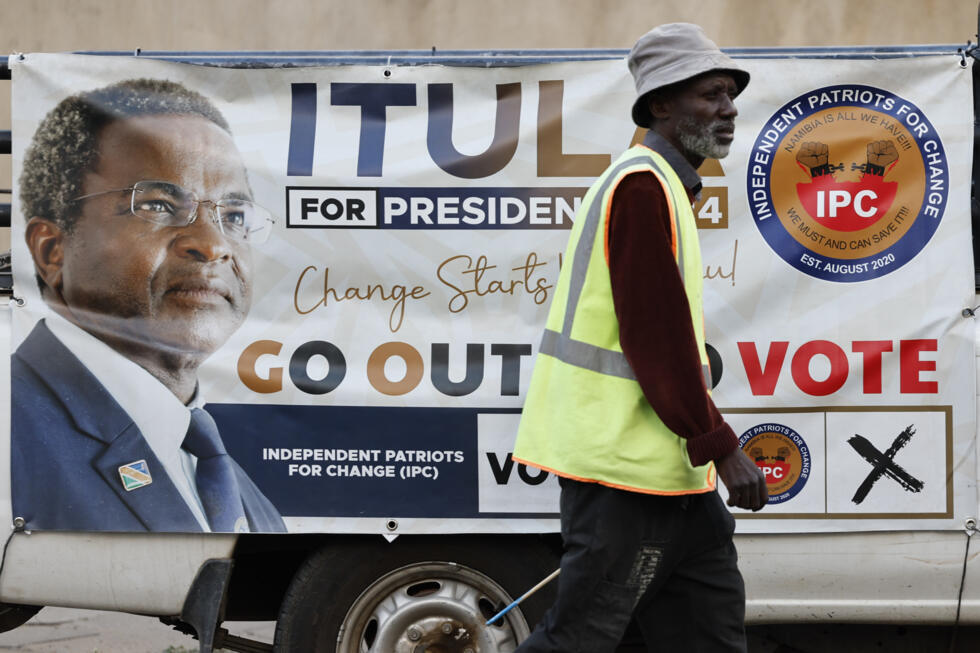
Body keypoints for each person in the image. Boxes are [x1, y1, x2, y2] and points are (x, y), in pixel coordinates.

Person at [512, 23, 768, 651]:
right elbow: (654, 338)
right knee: (580, 639)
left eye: (730, 94)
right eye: (710, 94)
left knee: (708, 633)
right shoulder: (639, 186)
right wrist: (719, 443)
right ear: (661, 104)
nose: (729, 109)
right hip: (621, 476)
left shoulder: (663, 187)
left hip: (668, 477)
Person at [12, 78, 286, 533]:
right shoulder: (11, 433)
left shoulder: (250, 502)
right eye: (158, 205)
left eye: (234, 216)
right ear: (52, 250)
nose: (214, 244)